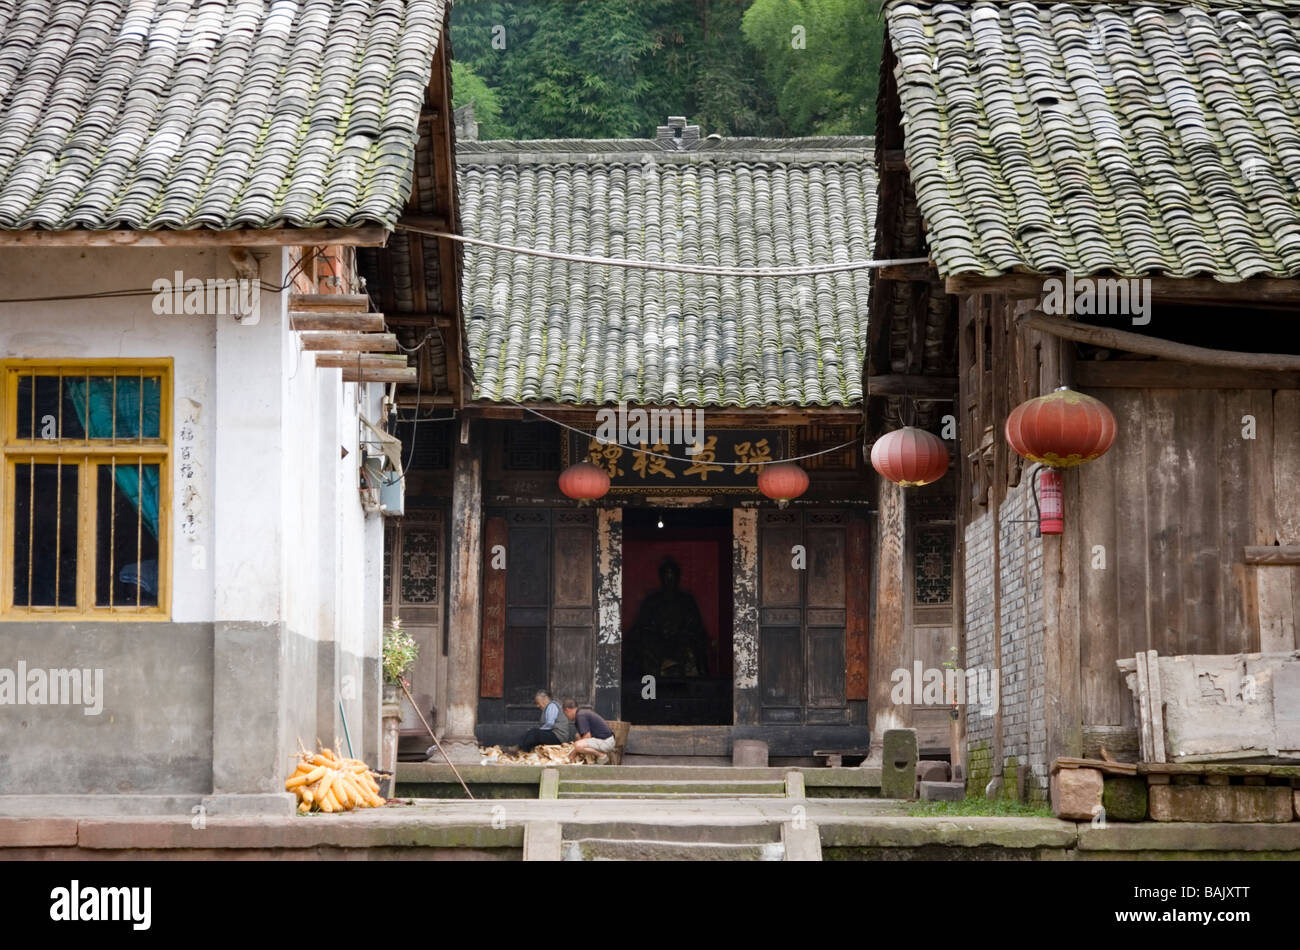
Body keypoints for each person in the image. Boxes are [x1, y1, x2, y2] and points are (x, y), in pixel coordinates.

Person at [629, 557, 710, 678]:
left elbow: (695, 626)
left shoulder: (687, 600)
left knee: (692, 649)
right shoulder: (652, 600)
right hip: (656, 642)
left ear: (678, 577)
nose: (669, 578)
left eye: (672, 574)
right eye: (666, 574)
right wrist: (658, 633)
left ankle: (691, 686)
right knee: (643, 647)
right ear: (661, 577)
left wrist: (680, 633)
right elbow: (642, 625)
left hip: (681, 641)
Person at [563, 698, 616, 764]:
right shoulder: (581, 713)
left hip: (607, 742)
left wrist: (573, 753)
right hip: (603, 740)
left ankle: (601, 755)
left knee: (578, 745)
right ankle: (589, 759)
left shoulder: (580, 715)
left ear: (567, 710)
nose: (567, 717)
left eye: (565, 714)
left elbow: (587, 737)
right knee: (578, 736)